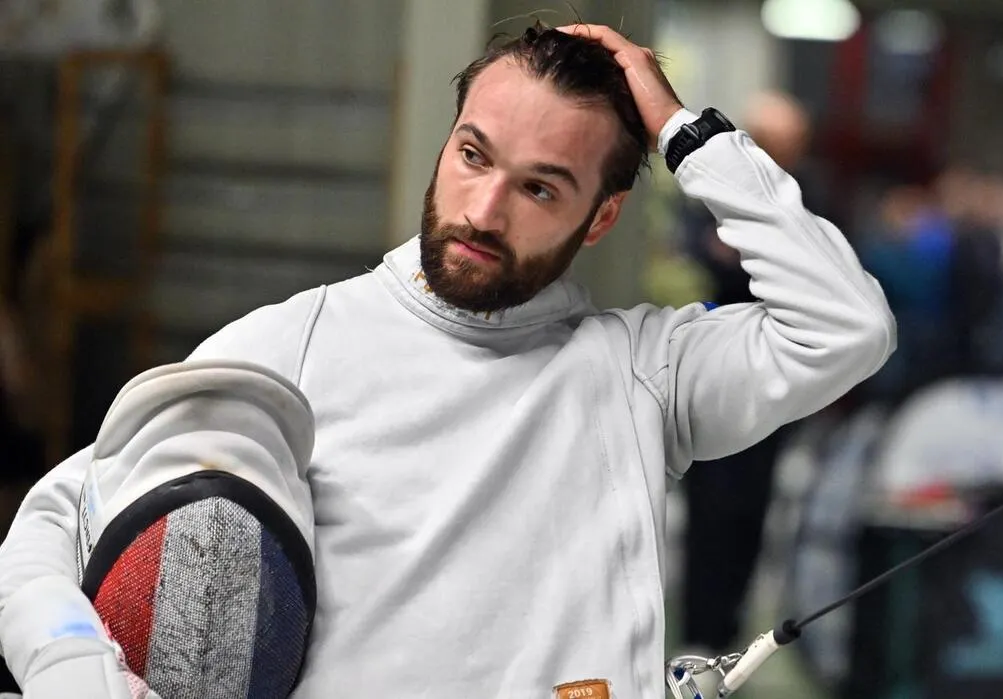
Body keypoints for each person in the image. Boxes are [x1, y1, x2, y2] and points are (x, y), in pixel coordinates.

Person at [0, 23, 895, 699]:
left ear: (602, 217)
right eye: (473, 156)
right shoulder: (294, 343)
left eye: (539, 186)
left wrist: (685, 133)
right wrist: (74, 666)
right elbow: (52, 520)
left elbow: (844, 326)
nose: (484, 209)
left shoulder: (644, 374)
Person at [674, 90, 836, 656]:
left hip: (779, 378)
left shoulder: (806, 200)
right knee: (710, 512)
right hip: (721, 370)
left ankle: (729, 636)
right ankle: (700, 635)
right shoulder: (718, 192)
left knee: (751, 513)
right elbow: (705, 258)